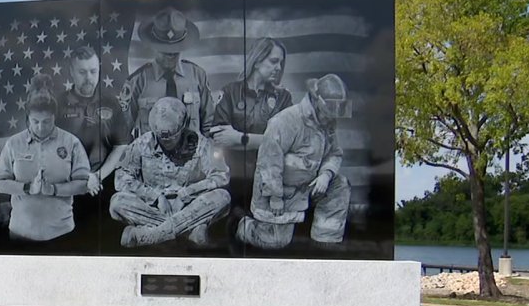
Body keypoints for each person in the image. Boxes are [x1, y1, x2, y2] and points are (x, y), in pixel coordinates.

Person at [230, 74, 352, 250]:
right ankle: (240, 224)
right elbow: (268, 162)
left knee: (340, 184)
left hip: (309, 185)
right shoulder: (286, 121)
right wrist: (275, 196)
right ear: (318, 100)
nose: (335, 112)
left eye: (339, 107)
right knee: (276, 241)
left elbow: (334, 153)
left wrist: (326, 175)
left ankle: (325, 242)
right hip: (280, 190)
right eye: (332, 106)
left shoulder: (327, 123)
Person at [108, 97, 230, 248]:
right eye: (161, 138)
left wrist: (186, 194)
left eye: (172, 138)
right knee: (117, 202)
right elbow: (121, 178)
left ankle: (152, 235)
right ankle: (189, 231)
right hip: (153, 207)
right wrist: (155, 197)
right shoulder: (141, 144)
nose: (166, 142)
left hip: (190, 206)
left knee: (223, 197)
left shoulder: (200, 143)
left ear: (183, 127)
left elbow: (221, 175)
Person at [0, 74, 91, 242]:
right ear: (27, 119)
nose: (40, 127)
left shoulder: (71, 143)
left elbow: (83, 185)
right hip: (20, 233)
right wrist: (28, 188)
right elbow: (2, 184)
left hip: (62, 234)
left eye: (46, 122)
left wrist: (54, 190)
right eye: (35, 121)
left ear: (55, 116)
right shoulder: (13, 144)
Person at [119, 7, 214, 139]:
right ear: (153, 46)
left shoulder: (197, 76)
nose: (170, 56)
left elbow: (208, 124)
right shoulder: (138, 80)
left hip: (191, 156)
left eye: (175, 52)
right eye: (165, 52)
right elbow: (125, 129)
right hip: (152, 157)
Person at [57, 45, 133, 196]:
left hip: (103, 182)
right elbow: (50, 149)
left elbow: (120, 145)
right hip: (67, 184)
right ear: (71, 72)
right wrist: (81, 178)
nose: (89, 78)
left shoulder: (111, 103)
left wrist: (97, 177)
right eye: (82, 72)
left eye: (93, 72)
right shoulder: (58, 105)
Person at [211, 37, 293, 151]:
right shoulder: (230, 92)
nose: (279, 68)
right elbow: (220, 138)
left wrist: (240, 138)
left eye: (281, 63)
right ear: (257, 62)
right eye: (274, 61)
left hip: (270, 166)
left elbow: (285, 141)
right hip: (233, 166)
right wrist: (265, 142)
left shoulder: (283, 98)